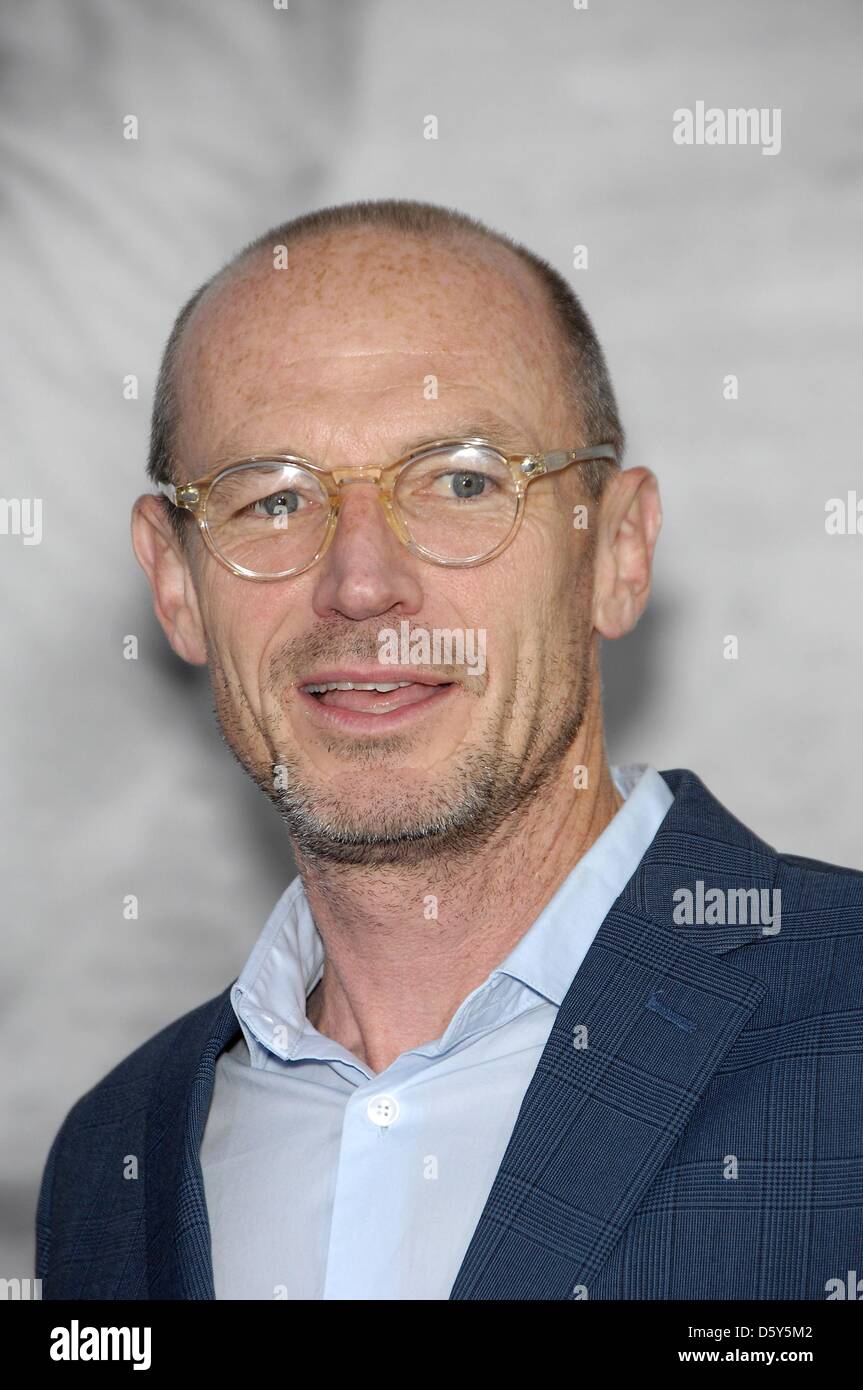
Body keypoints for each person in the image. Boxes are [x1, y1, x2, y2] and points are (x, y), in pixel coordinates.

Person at [36, 199, 863, 1300]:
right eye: (271, 499)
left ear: (617, 551)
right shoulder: (109, 1161)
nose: (361, 582)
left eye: (463, 481)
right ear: (176, 585)